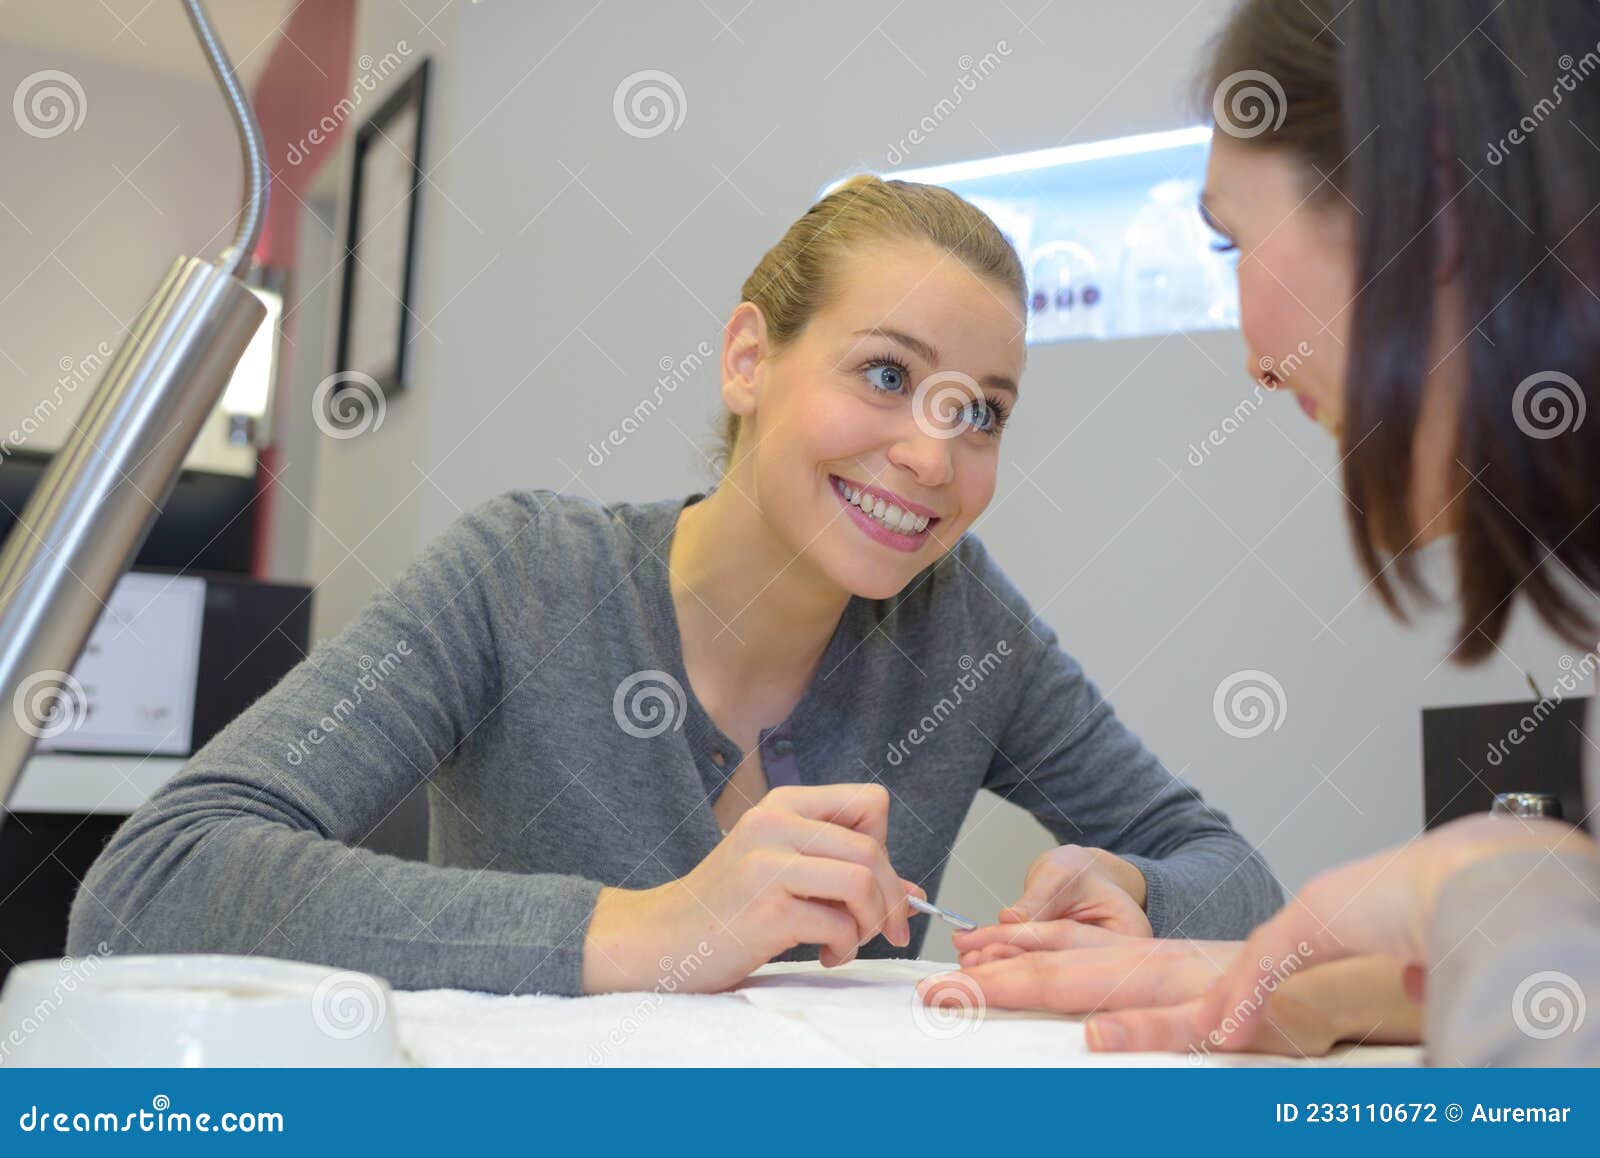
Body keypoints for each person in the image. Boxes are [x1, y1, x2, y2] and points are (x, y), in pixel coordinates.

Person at [66, 176, 1282, 996]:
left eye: (981, 414)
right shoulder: (523, 578)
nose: (932, 455)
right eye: (884, 374)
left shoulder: (964, 627)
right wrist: (656, 927)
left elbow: (1229, 875)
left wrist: (1131, 885)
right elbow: (153, 886)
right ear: (749, 359)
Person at [930, 0, 1600, 1065]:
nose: (1256, 358)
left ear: (1424, 204)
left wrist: (1493, 886)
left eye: (1230, 239)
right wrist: (1254, 979)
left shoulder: (968, 627)